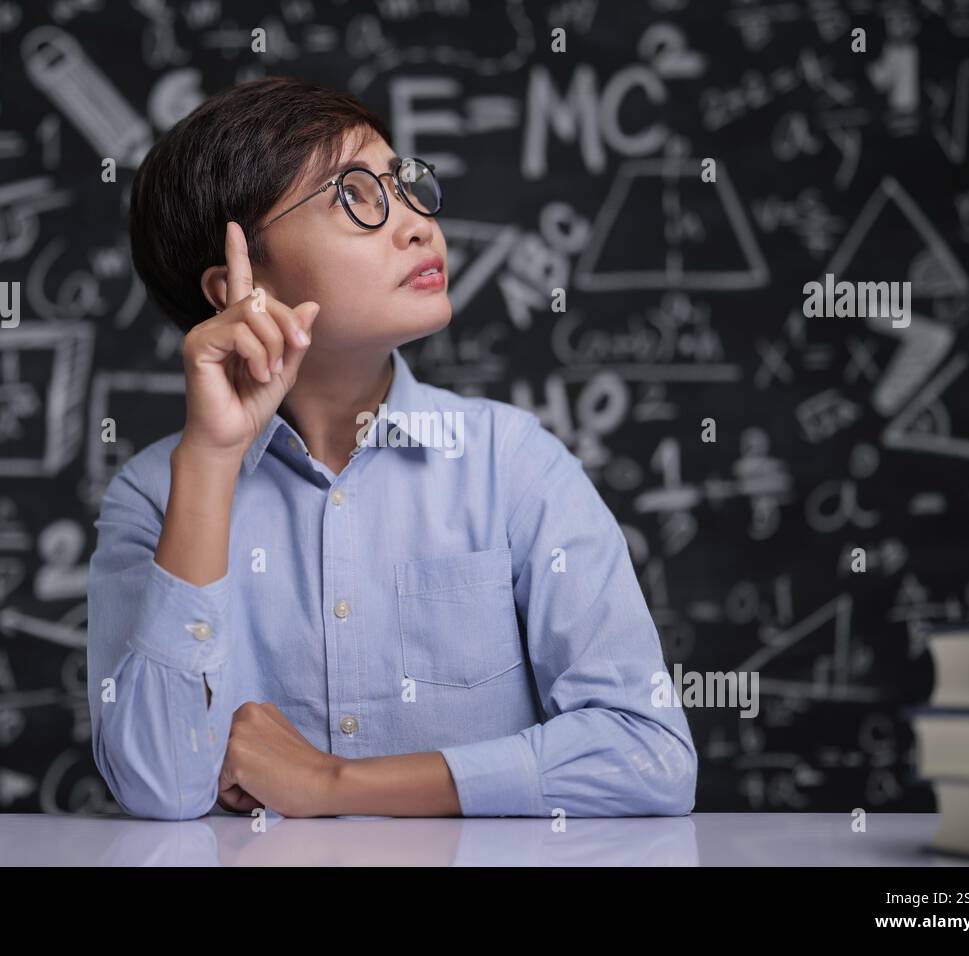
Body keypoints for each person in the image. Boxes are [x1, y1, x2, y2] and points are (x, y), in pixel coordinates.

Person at [87, 75, 698, 819]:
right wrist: (212, 463)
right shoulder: (155, 497)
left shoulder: (511, 461)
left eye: (403, 184)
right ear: (236, 285)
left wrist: (331, 784)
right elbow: (158, 789)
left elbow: (650, 754)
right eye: (355, 196)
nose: (416, 223)